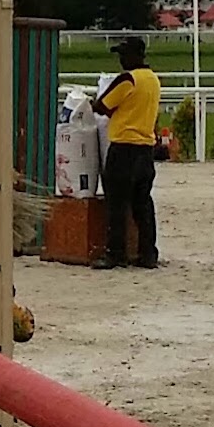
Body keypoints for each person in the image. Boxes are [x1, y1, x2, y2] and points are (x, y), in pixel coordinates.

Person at [90, 36, 161, 270]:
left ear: (134, 56)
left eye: (123, 54)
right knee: (143, 204)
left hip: (123, 148)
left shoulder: (128, 79)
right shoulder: (153, 80)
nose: (121, 59)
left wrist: (90, 102)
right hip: (146, 148)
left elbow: (102, 105)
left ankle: (115, 253)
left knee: (117, 204)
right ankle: (148, 253)